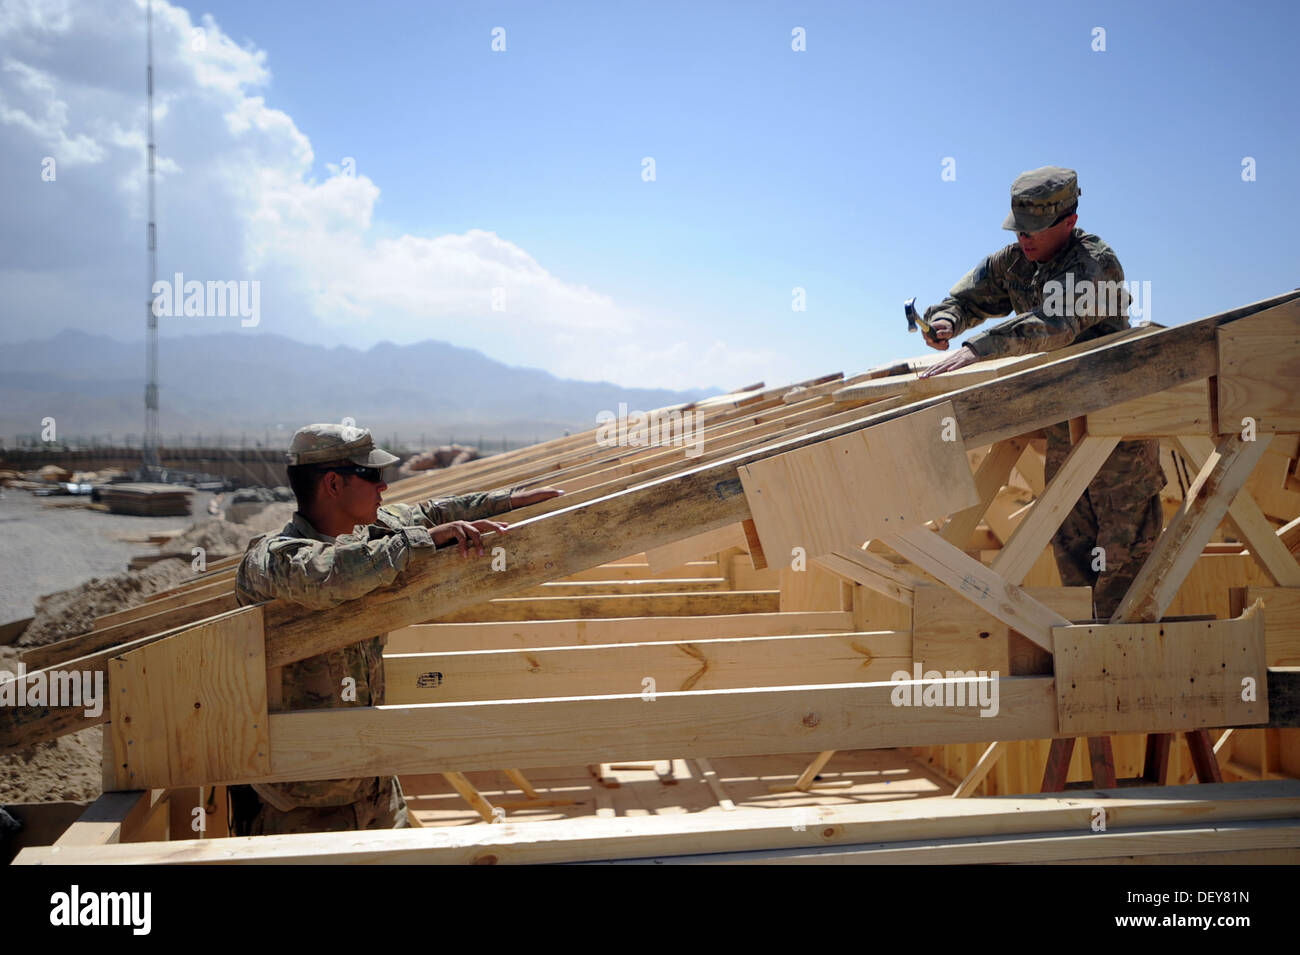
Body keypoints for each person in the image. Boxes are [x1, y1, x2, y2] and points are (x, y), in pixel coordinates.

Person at [231, 423, 562, 834]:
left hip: (376, 786)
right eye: (372, 476)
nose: (383, 487)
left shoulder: (377, 531)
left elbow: (435, 513)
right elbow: (329, 574)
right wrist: (419, 543)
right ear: (333, 484)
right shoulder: (271, 559)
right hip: (306, 807)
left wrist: (509, 500)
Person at [916, 165, 1164, 618]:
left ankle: (1127, 660)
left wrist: (980, 348)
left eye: (1034, 230)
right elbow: (970, 296)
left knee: (1125, 554)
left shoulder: (1094, 264)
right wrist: (948, 319)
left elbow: (1055, 324)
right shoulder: (1015, 260)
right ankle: (1086, 658)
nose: (1024, 240)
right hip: (1065, 425)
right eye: (1019, 229)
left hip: (1116, 431)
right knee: (1071, 546)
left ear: (1068, 223)